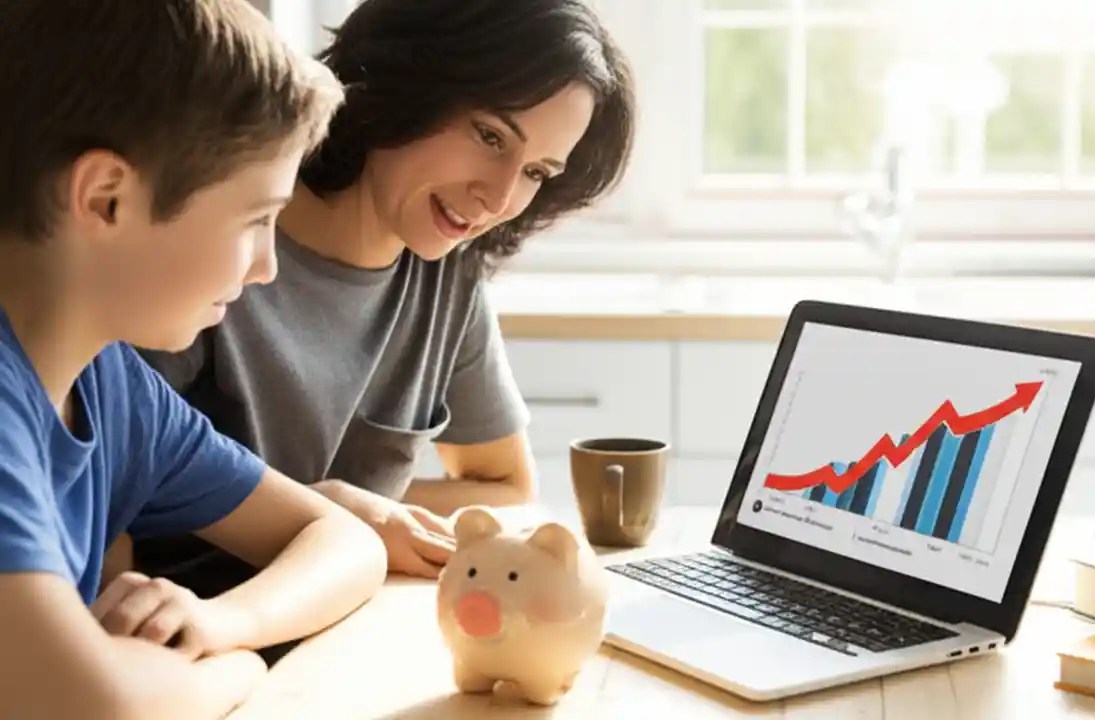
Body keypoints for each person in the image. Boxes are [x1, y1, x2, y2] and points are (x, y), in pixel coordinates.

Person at [132, 0, 636, 596]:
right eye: (489, 135)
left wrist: (370, 515)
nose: (499, 198)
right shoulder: (222, 241)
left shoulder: (446, 274)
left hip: (338, 617)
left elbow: (504, 484)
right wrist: (325, 512)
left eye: (536, 172)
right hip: (186, 628)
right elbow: (111, 489)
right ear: (406, 82)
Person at [0, 2, 388, 718]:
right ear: (107, 198)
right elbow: (94, 704)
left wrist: (221, 622)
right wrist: (236, 668)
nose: (268, 265)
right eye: (255, 220)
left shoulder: (108, 384)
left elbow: (346, 542)